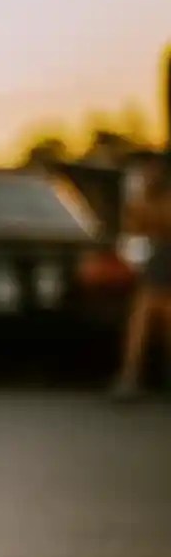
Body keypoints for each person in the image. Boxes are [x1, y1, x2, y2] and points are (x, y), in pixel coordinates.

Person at [111, 151, 171, 399]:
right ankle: (130, 375)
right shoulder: (144, 198)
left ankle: (133, 375)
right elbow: (134, 226)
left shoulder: (164, 200)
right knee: (144, 314)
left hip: (163, 263)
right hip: (159, 266)